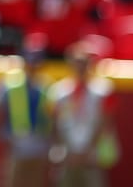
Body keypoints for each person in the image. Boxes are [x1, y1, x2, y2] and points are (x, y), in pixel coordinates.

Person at [47, 44, 117, 187]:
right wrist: (62, 150)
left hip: (92, 156)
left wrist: (88, 151)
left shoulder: (102, 90)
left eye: (83, 64)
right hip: (68, 155)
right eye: (76, 64)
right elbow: (55, 124)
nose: (80, 68)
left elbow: (105, 122)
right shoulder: (60, 92)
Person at [0, 47, 51, 187]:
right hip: (16, 145)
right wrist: (0, 134)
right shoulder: (8, 83)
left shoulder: (46, 85)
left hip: (39, 146)